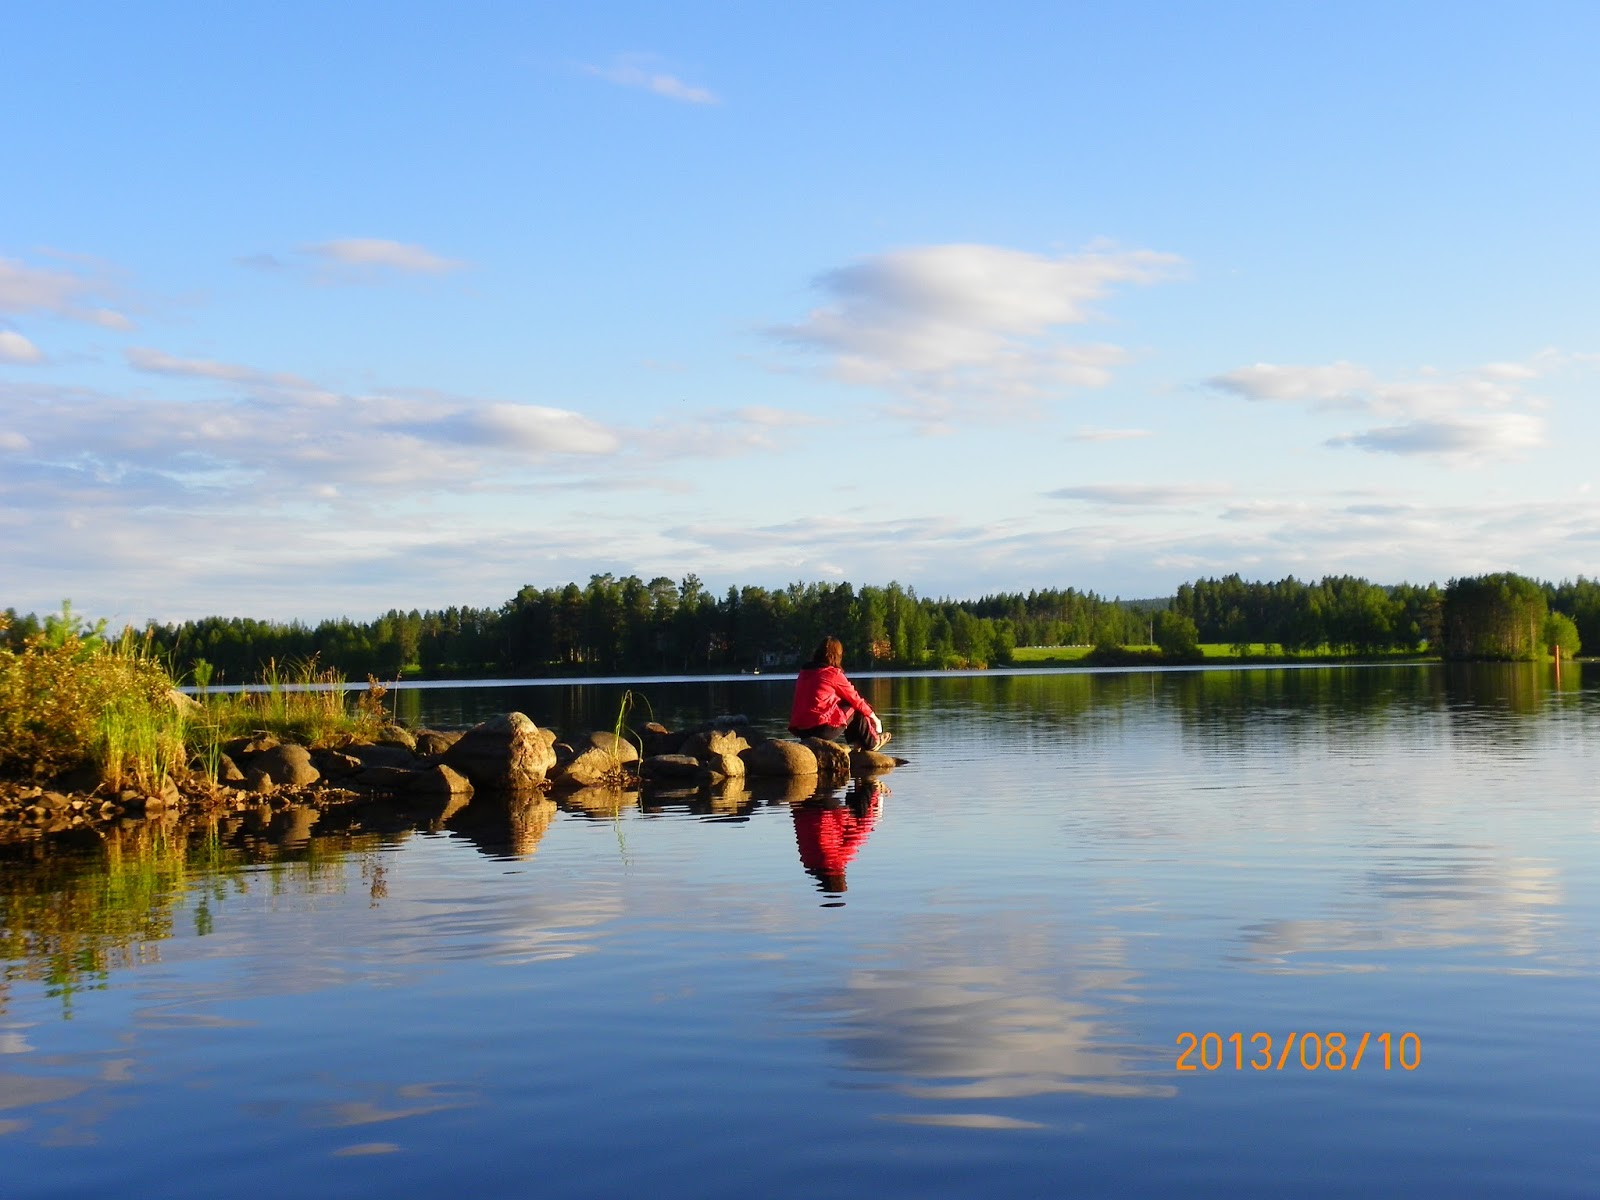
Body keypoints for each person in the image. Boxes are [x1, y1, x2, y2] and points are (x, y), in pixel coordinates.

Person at [789, 636, 891, 751]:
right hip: (821, 729)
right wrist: (875, 719)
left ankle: (858, 744)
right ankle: (872, 742)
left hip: (802, 731)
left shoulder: (804, 673)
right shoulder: (832, 674)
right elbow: (856, 699)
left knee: (843, 704)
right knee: (854, 707)